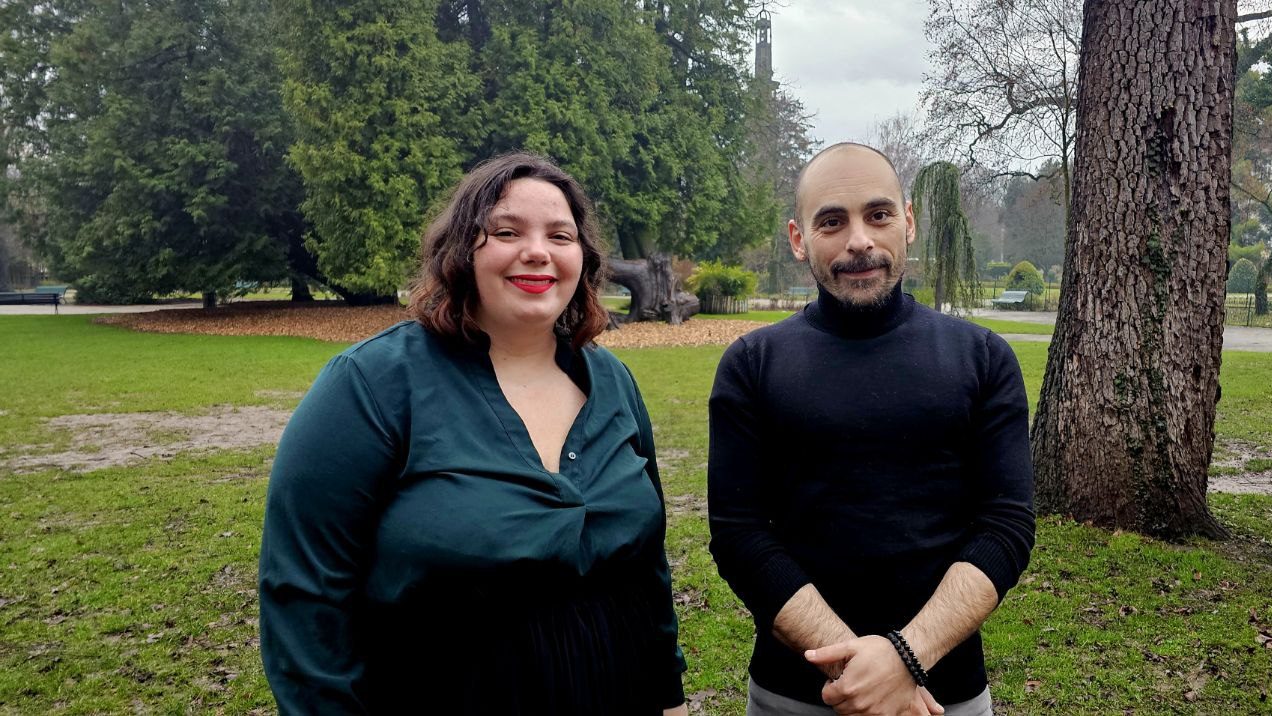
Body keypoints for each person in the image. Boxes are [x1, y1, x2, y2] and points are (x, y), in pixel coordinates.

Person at [259, 152, 688, 715]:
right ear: (462, 250)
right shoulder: (372, 383)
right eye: (507, 231)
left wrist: (670, 696)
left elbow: (645, 564)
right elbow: (305, 595)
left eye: (560, 235)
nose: (537, 250)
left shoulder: (612, 381)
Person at [707, 143, 1035, 716]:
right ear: (798, 238)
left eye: (878, 215)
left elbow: (1005, 525)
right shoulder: (752, 364)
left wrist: (906, 658)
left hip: (944, 697)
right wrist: (859, 672)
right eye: (831, 221)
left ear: (907, 222)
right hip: (795, 696)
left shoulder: (983, 358)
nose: (859, 239)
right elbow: (739, 535)